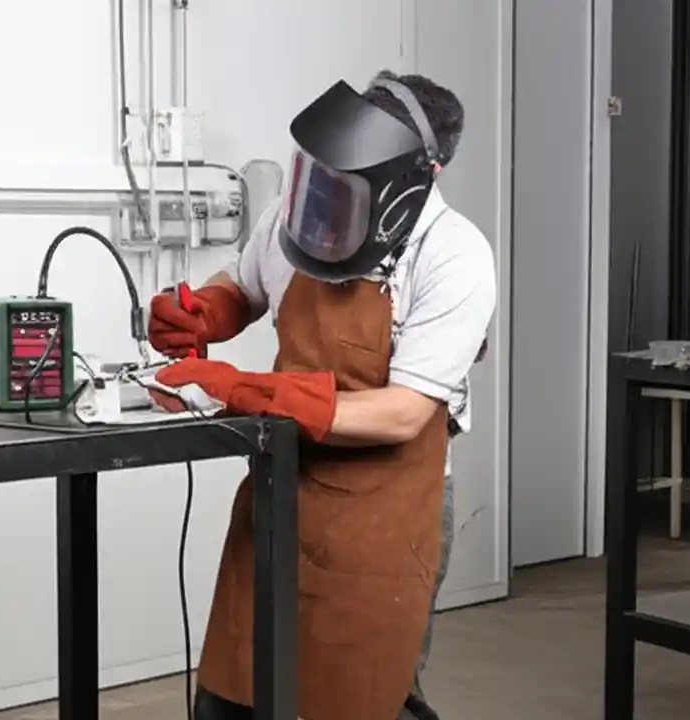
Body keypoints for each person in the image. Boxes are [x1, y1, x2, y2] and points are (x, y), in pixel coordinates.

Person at [147, 70, 496, 720]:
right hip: (282, 492)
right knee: (234, 693)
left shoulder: (454, 256)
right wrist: (206, 311)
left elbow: (403, 413)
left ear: (422, 173)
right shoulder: (308, 210)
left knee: (363, 700)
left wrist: (244, 387)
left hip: (383, 517)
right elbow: (248, 282)